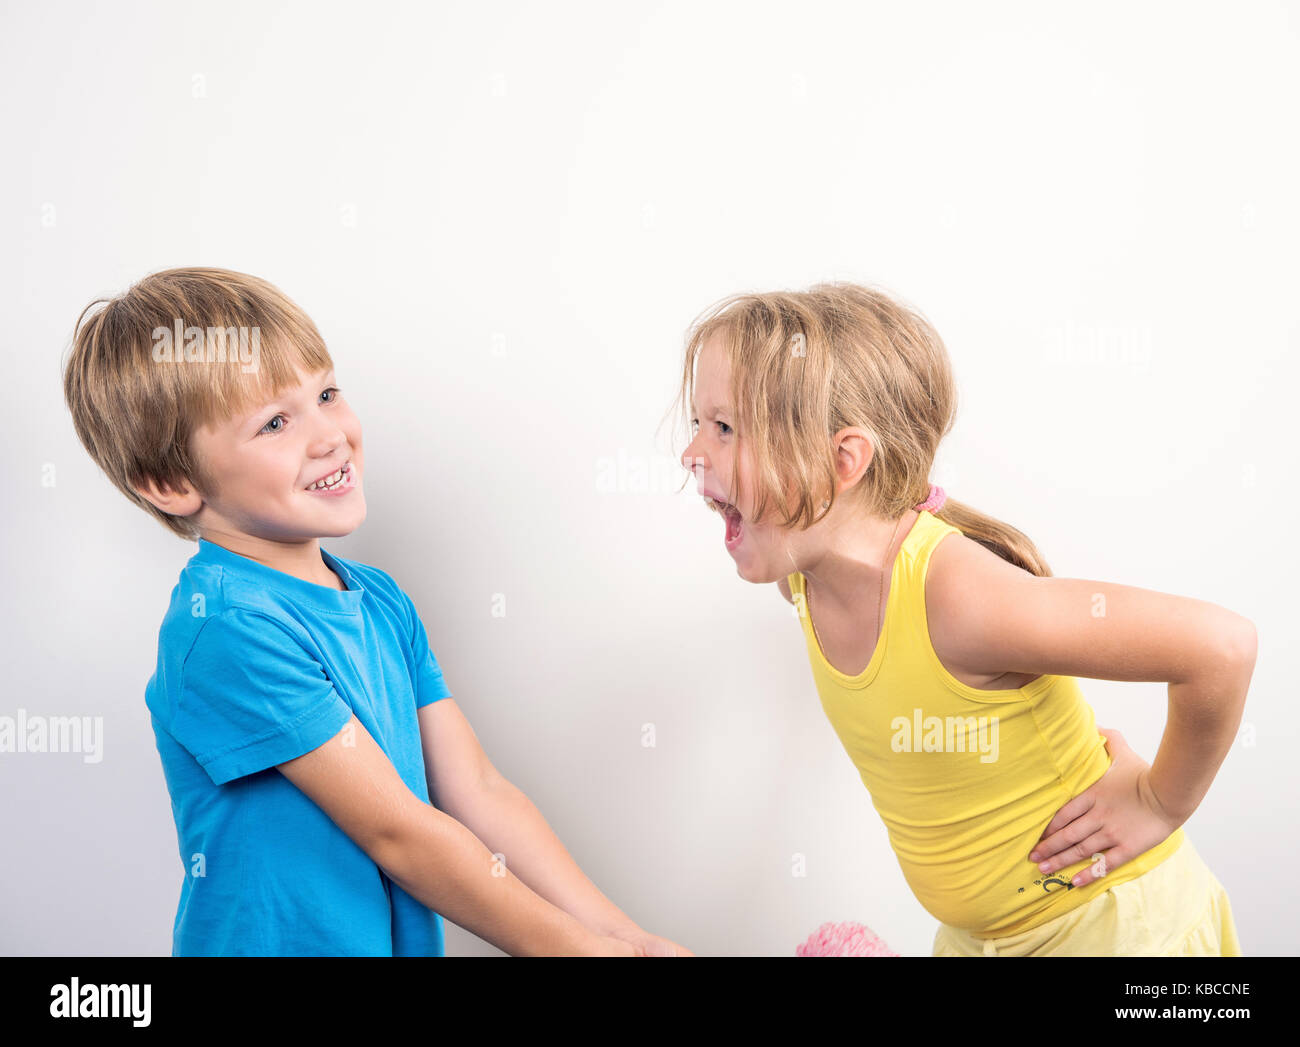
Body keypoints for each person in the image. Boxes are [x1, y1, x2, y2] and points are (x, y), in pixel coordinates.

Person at [62, 266, 688, 957]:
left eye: (326, 392)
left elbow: (477, 790)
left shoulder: (380, 600)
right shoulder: (226, 628)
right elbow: (402, 835)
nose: (329, 434)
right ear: (172, 483)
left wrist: (624, 937)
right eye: (275, 422)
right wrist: (580, 952)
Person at [673, 282, 1253, 956]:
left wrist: (1161, 802)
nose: (692, 453)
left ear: (842, 461)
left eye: (724, 428)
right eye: (696, 423)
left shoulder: (957, 595)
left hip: (1111, 927)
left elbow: (1222, 647)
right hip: (985, 939)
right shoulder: (803, 579)